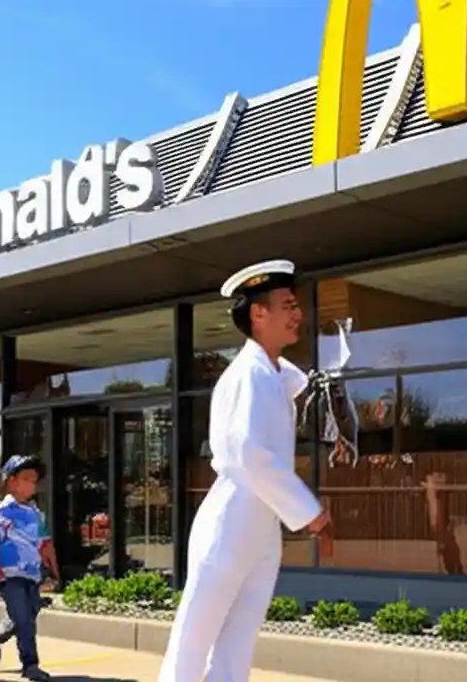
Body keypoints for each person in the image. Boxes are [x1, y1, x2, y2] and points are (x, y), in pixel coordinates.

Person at [159, 259, 334, 682]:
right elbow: (248, 453)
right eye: (287, 305)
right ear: (259, 314)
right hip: (232, 519)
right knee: (193, 642)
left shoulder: (270, 375)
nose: (298, 315)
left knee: (237, 646)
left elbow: (294, 382)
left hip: (262, 524)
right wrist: (309, 512)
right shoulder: (246, 376)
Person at [0, 455, 57, 681]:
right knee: (24, 620)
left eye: (34, 480)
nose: (31, 484)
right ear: (12, 481)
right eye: (26, 479)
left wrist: (54, 571)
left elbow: (45, 543)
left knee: (28, 613)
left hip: (32, 574)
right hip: (11, 574)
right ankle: (30, 664)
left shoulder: (36, 513)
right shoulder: (3, 511)